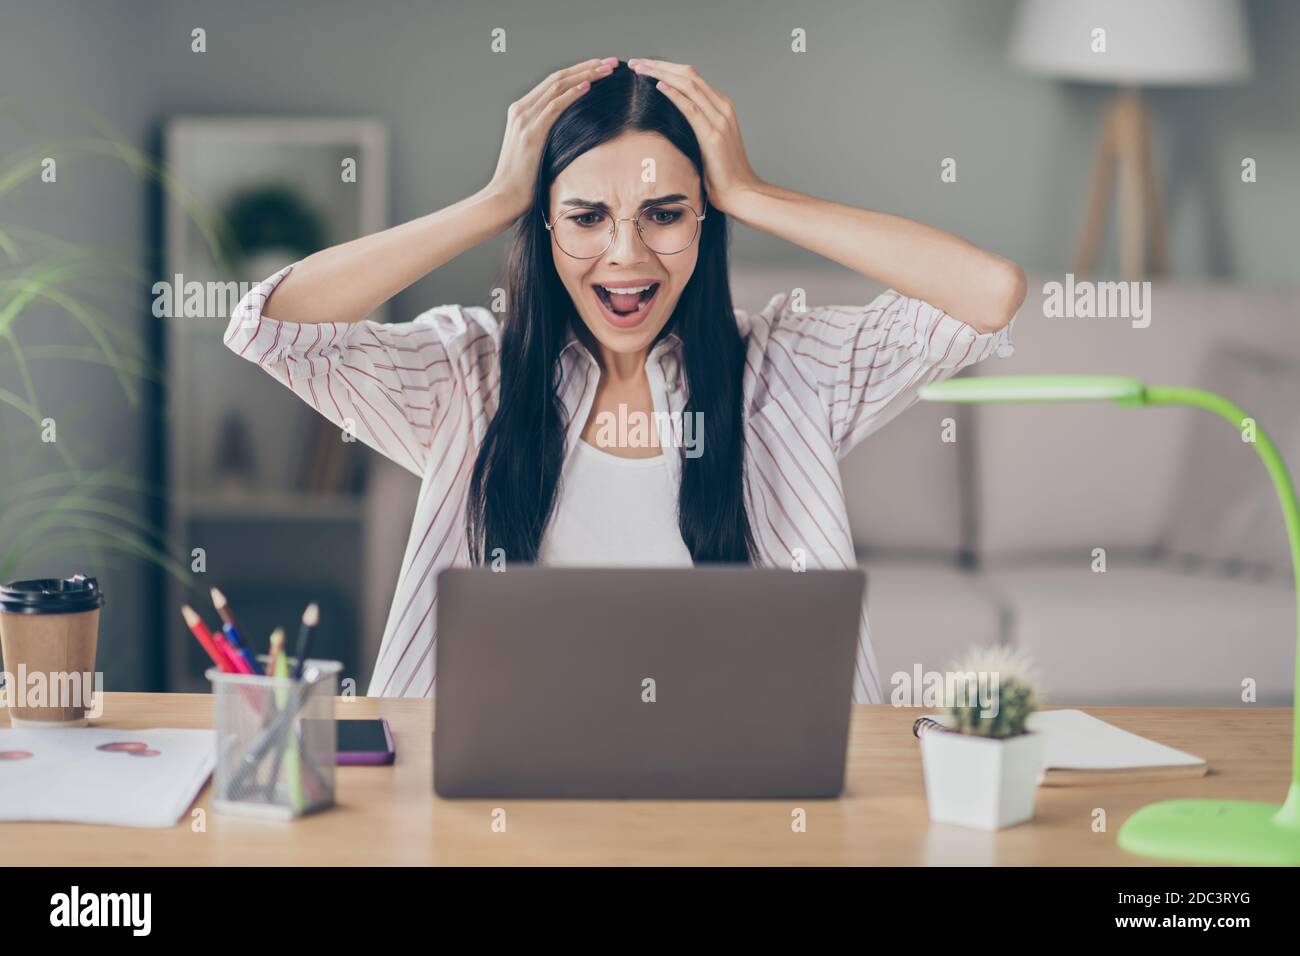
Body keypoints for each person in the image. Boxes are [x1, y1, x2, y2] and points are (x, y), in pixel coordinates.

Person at [224, 57, 1025, 703]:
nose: (627, 257)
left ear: (704, 221)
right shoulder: (466, 376)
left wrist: (750, 192)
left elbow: (988, 295)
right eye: (586, 217)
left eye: (665, 213)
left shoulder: (786, 372)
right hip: (503, 795)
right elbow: (271, 327)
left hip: (740, 790)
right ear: (544, 225)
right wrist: (495, 199)